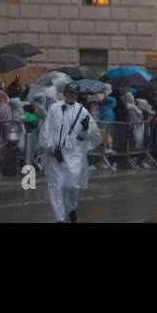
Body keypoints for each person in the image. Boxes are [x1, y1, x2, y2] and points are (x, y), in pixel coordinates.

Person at [41, 83, 96, 223]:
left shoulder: (82, 111)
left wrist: (85, 129)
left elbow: (87, 135)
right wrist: (49, 146)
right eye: (69, 93)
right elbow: (47, 128)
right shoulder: (54, 108)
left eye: (74, 93)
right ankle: (59, 218)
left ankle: (71, 207)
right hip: (55, 154)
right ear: (64, 93)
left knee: (72, 186)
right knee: (56, 188)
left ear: (77, 96)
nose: (71, 96)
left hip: (73, 156)